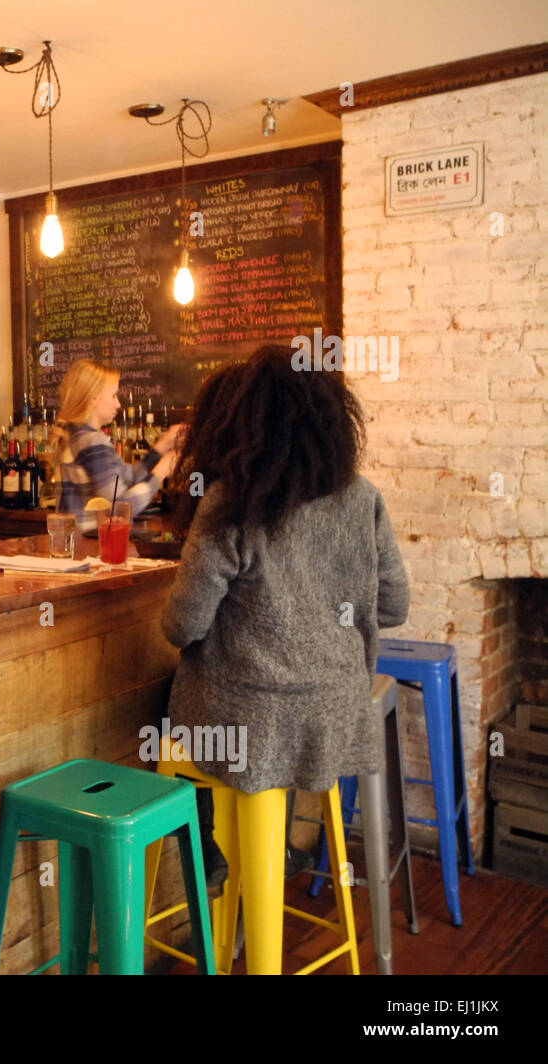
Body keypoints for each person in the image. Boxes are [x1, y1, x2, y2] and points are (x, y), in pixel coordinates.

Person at [160, 346, 410, 877]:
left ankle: (206, 851)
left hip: (246, 723)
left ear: (236, 424)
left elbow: (182, 626)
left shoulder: (229, 501)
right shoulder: (361, 498)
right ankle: (293, 844)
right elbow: (394, 605)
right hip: (335, 713)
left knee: (175, 695)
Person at [50, 358, 184, 534]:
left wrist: (160, 448)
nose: (118, 404)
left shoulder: (75, 436)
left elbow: (124, 479)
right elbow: (119, 508)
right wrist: (161, 473)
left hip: (73, 544)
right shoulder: (92, 441)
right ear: (93, 397)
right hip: (91, 546)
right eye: (113, 395)